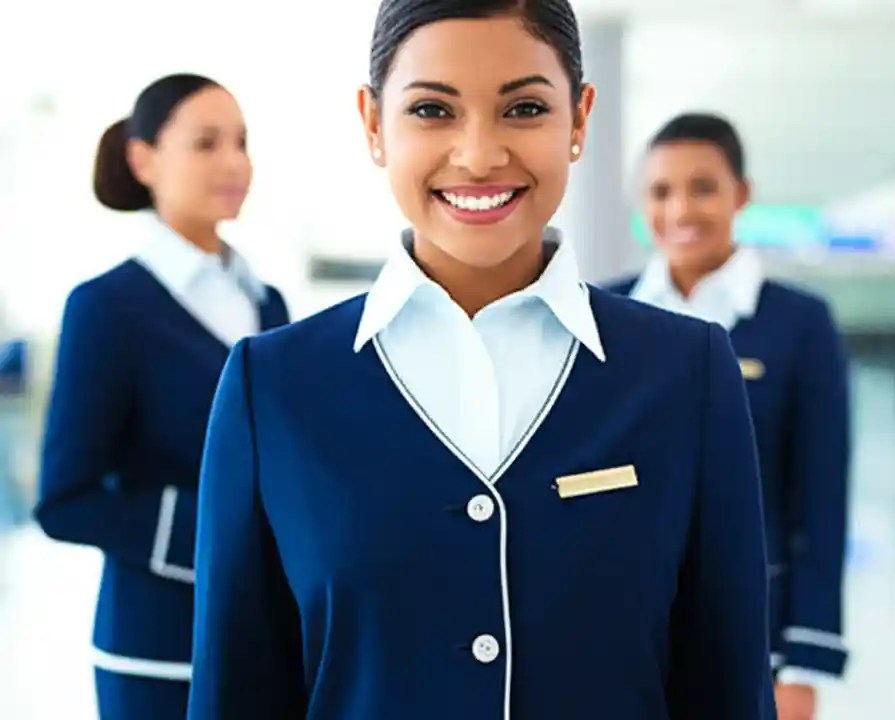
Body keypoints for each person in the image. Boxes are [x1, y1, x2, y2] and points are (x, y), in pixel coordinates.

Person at [187, 2, 775, 719]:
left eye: (524, 108)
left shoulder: (689, 374)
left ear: (580, 119)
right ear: (374, 125)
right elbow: (235, 695)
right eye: (433, 111)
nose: (479, 155)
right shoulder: (271, 389)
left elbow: (727, 689)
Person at [35, 73, 290, 720]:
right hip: (157, 654)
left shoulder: (268, 303)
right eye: (206, 143)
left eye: (241, 141)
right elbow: (66, 501)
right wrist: (225, 541)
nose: (235, 162)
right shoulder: (106, 308)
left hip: (271, 644)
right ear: (143, 158)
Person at [606, 113, 851, 720]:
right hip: (624, 625)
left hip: (753, 628)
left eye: (703, 187)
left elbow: (821, 504)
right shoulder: (605, 314)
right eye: (661, 192)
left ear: (742, 195)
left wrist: (804, 662)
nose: (681, 210)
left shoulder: (799, 324)